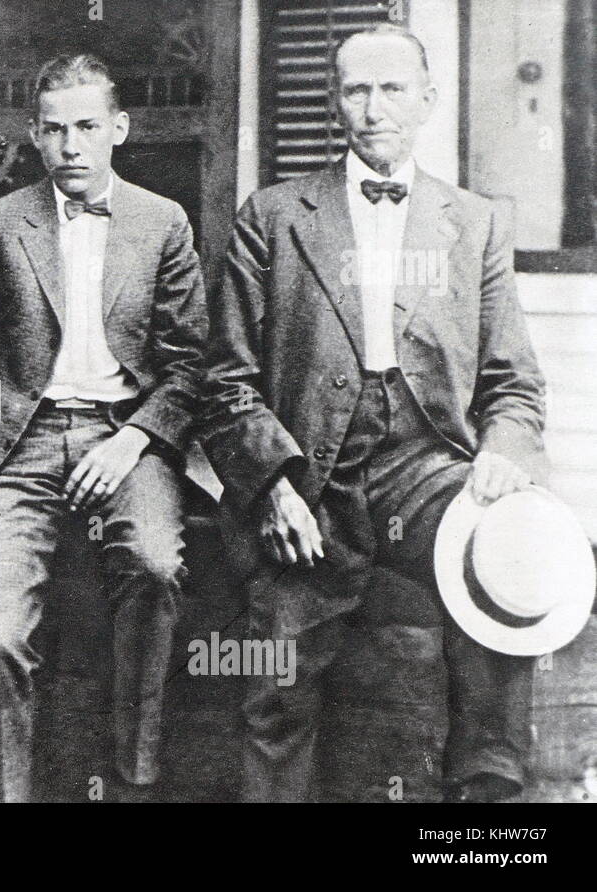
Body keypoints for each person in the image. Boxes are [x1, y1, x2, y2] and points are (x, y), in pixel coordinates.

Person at [201, 25, 546, 802]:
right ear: (334, 102)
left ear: (426, 101)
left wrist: (502, 450)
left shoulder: (475, 223)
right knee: (275, 675)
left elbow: (514, 383)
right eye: (356, 89)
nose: (374, 107)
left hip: (427, 465)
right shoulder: (274, 216)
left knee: (505, 547)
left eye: (393, 89)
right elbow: (223, 379)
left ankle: (486, 795)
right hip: (310, 469)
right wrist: (271, 486)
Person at [0, 54, 208, 802]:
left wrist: (135, 439)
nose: (71, 147)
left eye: (87, 127)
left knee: (154, 566)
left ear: (118, 127)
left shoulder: (162, 223)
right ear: (34, 136)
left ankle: (134, 776)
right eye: (54, 130)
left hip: (127, 434)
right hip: (18, 442)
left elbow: (189, 365)